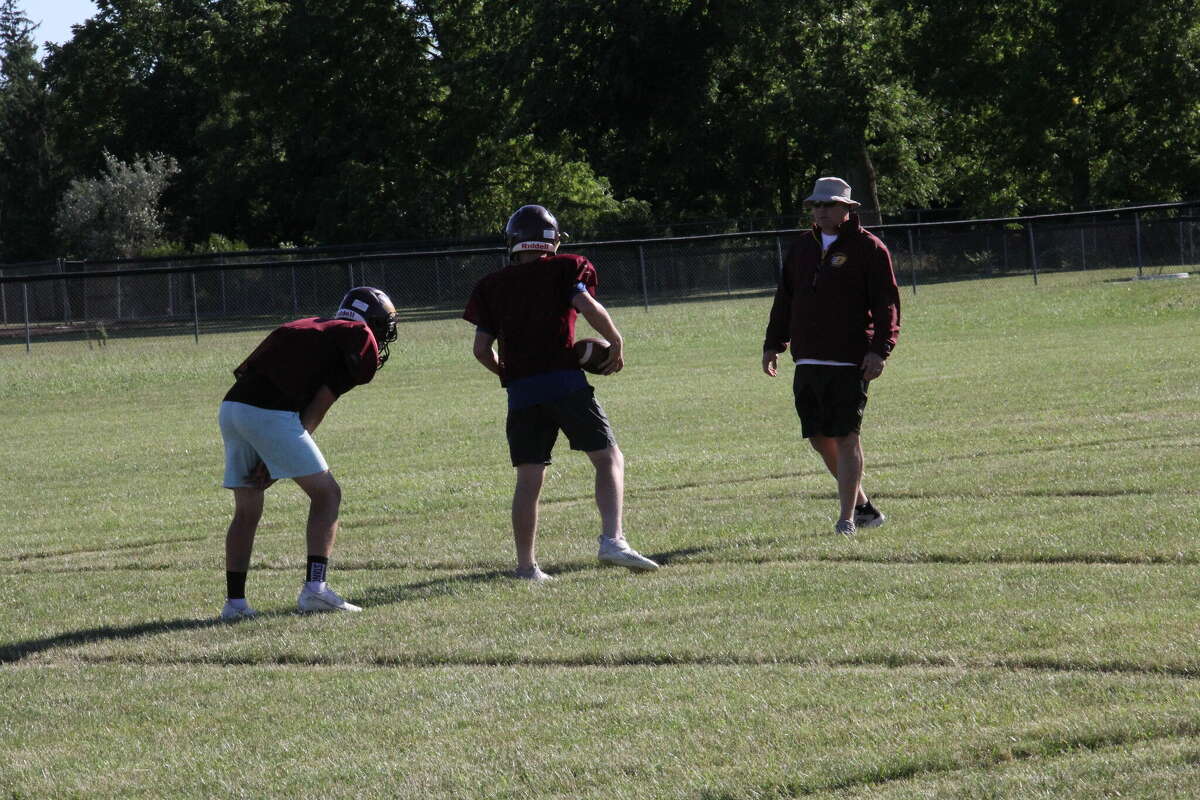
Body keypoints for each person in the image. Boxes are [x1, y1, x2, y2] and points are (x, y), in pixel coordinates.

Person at [463, 204, 659, 581]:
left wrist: (509, 372)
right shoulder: (566, 266)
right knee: (607, 457)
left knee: (529, 479)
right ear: (552, 239)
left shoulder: (490, 285)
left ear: (513, 242)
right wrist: (615, 340)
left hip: (521, 393)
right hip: (564, 383)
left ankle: (525, 567)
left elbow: (480, 350)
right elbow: (585, 305)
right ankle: (612, 540)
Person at [217, 286, 399, 620]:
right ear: (371, 322)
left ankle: (235, 604)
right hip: (269, 412)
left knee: (247, 510)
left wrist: (274, 456)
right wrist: (274, 463)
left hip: (232, 408)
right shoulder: (357, 337)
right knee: (327, 495)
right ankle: (315, 590)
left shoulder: (309, 326)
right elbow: (316, 409)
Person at [762, 177, 901, 536]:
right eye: (816, 205)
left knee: (846, 436)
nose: (821, 211)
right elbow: (785, 299)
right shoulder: (801, 248)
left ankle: (846, 520)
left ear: (847, 209)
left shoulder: (869, 248)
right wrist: (773, 344)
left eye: (829, 205)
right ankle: (864, 506)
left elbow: (887, 303)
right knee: (817, 437)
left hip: (849, 358)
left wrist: (880, 350)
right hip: (808, 357)